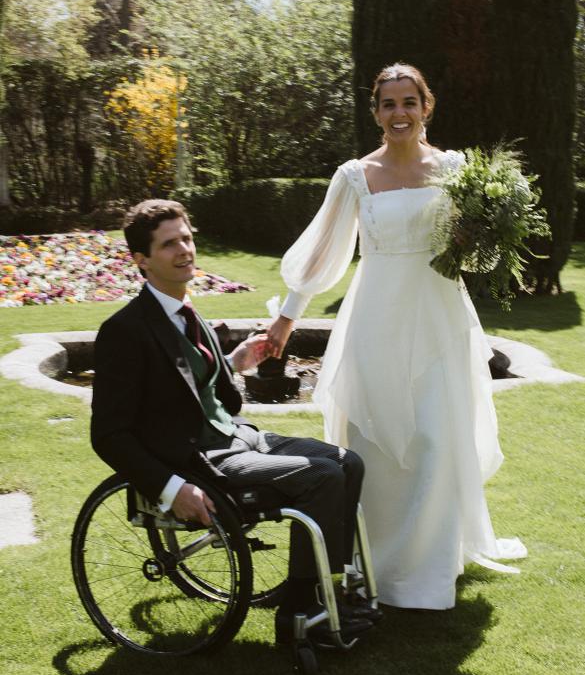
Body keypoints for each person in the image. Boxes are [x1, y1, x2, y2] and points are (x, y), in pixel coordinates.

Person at [267, 63, 526, 610]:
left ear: (426, 107)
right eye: (388, 104)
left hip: (437, 314)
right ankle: (372, 560)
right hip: (377, 316)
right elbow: (322, 253)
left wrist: (478, 233)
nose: (399, 113)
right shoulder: (354, 176)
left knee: (434, 438)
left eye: (409, 102)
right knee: (376, 442)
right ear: (376, 111)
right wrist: (287, 317)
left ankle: (428, 571)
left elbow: (479, 257)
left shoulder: (457, 168)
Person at [90, 198, 381, 646]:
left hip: (238, 439)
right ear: (141, 261)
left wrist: (233, 361)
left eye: (187, 238)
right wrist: (171, 488)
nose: (185, 249)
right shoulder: (124, 331)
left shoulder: (189, 314)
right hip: (198, 460)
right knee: (322, 476)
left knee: (349, 461)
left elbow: (189, 384)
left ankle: (332, 589)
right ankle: (300, 614)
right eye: (170, 244)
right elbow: (109, 434)